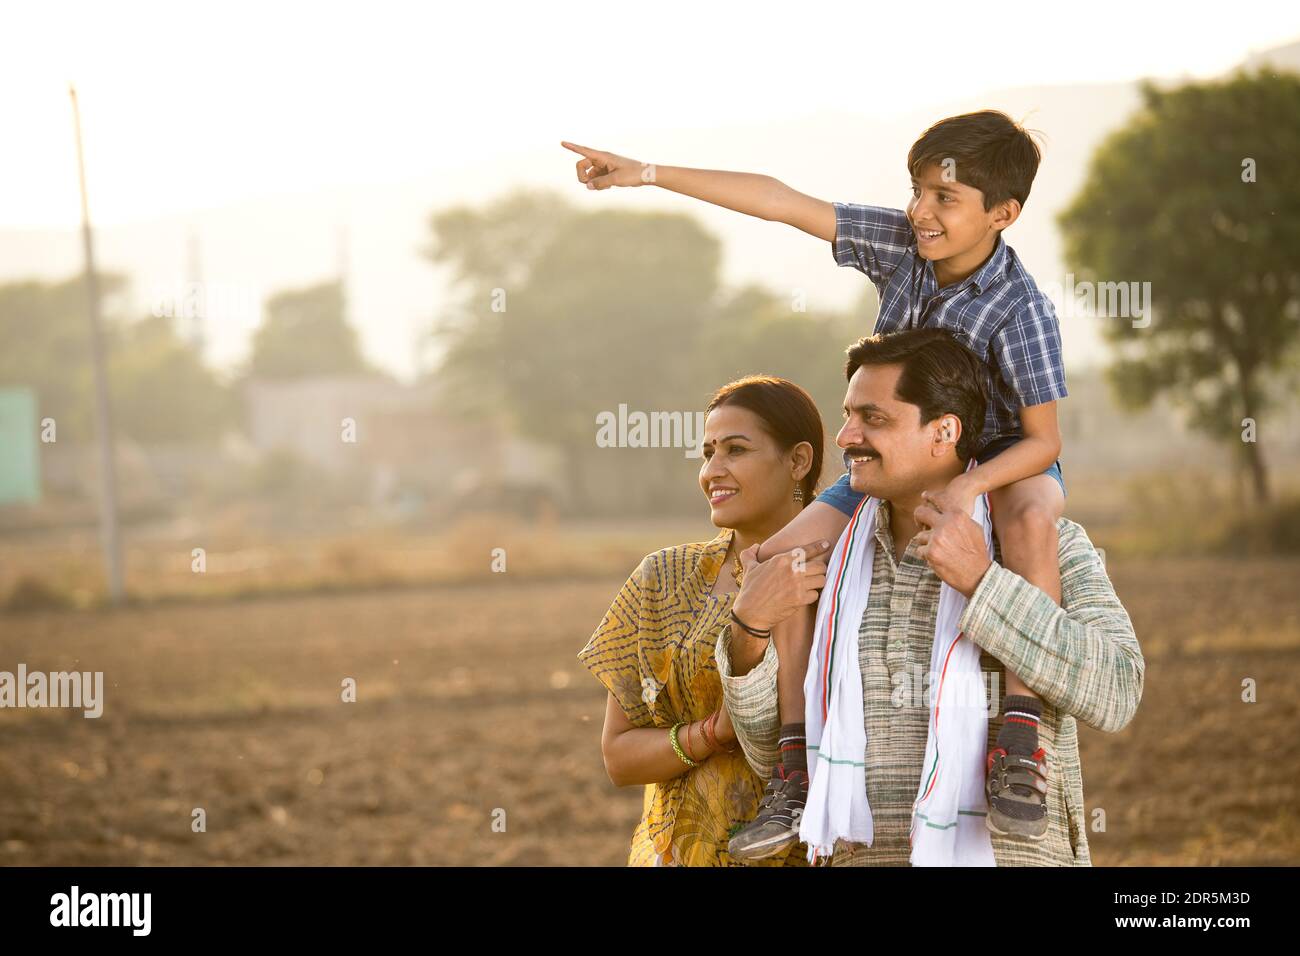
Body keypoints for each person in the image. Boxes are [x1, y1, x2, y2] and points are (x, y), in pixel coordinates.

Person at [563, 109, 1069, 851]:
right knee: (777, 560)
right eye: (918, 190)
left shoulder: (1022, 307)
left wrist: (966, 491)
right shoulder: (901, 245)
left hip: (996, 458)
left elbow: (1044, 438)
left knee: (1029, 519)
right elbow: (780, 199)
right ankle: (796, 767)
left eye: (945, 200)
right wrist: (646, 172)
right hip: (893, 463)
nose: (921, 211)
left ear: (1004, 213)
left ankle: (1020, 737)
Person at [716, 328, 1143, 864]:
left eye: (873, 418)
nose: (846, 436)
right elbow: (766, 757)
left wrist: (983, 583)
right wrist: (749, 629)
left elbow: (1118, 690)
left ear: (943, 431)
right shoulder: (820, 565)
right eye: (848, 414)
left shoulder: (1035, 543)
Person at [577, 375, 833, 866]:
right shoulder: (663, 579)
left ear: (798, 461)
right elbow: (619, 756)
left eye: (735, 450)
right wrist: (713, 733)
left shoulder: (845, 578)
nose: (713, 470)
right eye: (708, 453)